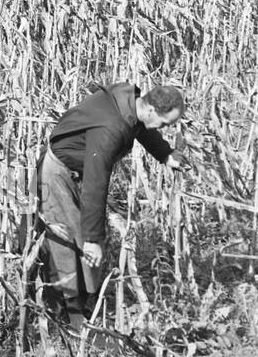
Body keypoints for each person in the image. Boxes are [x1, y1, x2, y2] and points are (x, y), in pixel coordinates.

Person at [36, 82, 185, 337]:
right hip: (57, 172)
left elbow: (142, 129)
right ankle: (70, 318)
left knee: (83, 239)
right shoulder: (110, 128)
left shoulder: (132, 102)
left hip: (77, 170)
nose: (165, 129)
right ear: (151, 109)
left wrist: (165, 153)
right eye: (164, 123)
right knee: (68, 242)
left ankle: (84, 302)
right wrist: (94, 239)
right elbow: (96, 183)